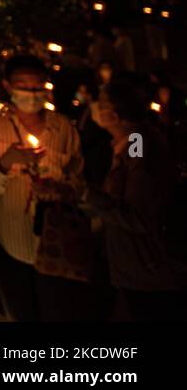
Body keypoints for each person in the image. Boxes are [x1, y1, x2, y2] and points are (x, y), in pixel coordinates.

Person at [0, 54, 87, 320]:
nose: (31, 93)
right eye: (23, 86)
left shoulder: (62, 127)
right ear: (8, 86)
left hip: (53, 241)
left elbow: (79, 178)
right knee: (21, 312)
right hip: (9, 241)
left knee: (58, 312)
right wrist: (6, 163)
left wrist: (61, 187)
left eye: (37, 86)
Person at [80, 75, 187, 320]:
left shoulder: (139, 147)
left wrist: (86, 193)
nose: (96, 108)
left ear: (114, 115)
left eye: (101, 103)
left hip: (151, 274)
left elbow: (138, 216)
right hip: (139, 270)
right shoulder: (128, 143)